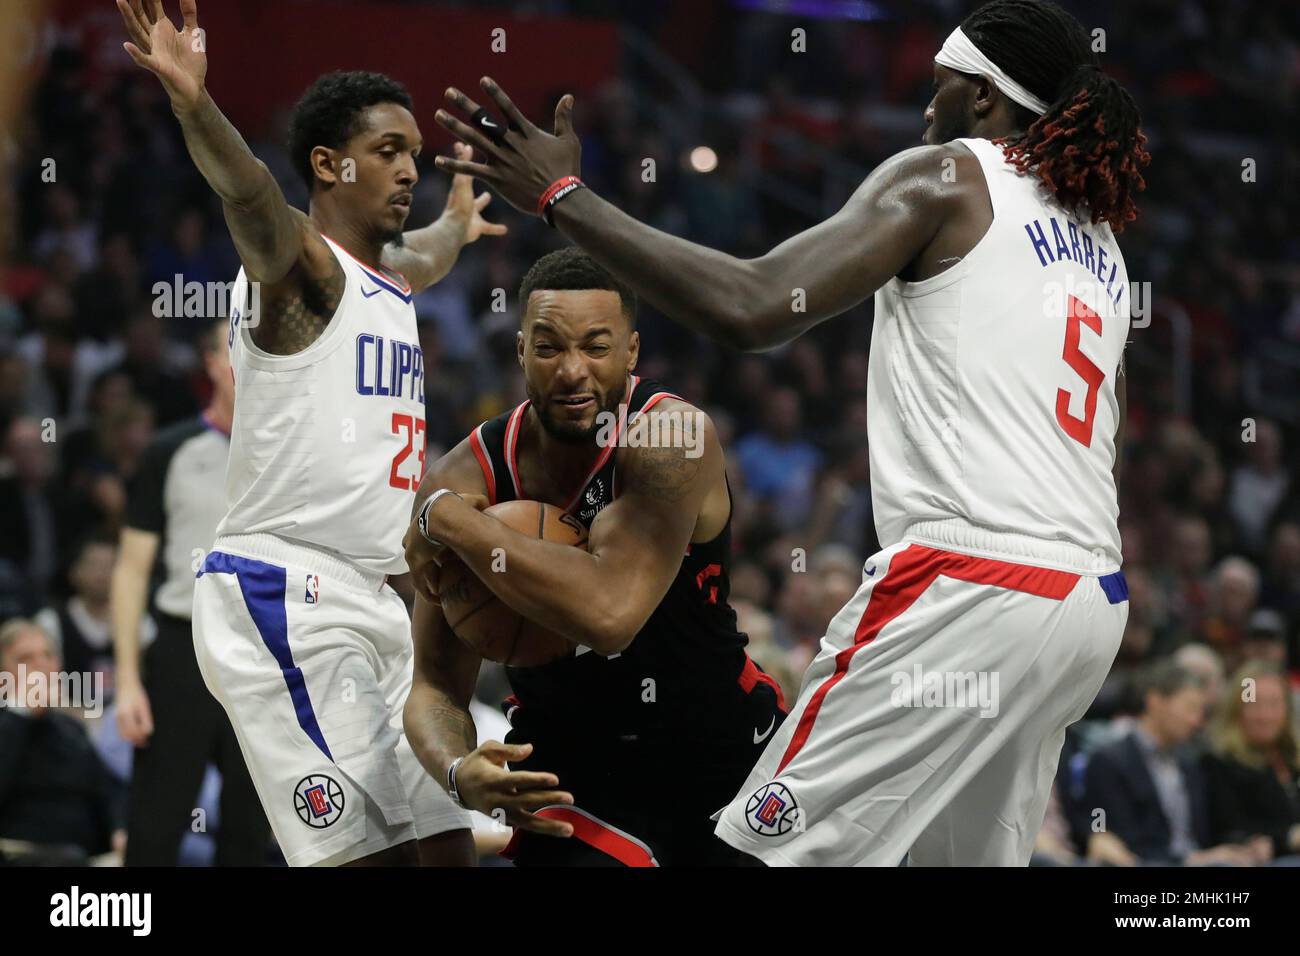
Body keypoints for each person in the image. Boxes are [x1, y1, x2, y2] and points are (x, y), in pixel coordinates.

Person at [434, 0, 1146, 864]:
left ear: (986, 101)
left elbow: (755, 307)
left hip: (971, 579)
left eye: (940, 91)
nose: (925, 114)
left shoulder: (950, 174)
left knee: (752, 858)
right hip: (1087, 602)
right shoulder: (1099, 238)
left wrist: (563, 197)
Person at [117, 0, 504, 866]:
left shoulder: (386, 270)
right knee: (365, 856)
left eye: (415, 152)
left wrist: (456, 225)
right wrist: (194, 105)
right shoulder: (302, 269)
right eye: (387, 153)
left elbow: (424, 257)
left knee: (446, 843)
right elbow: (249, 191)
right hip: (283, 591)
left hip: (372, 600)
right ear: (328, 165)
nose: (410, 169)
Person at [402, 248, 786, 866]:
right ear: (520, 352)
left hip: (723, 751)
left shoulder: (671, 438)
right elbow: (435, 686)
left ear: (631, 353)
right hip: (571, 771)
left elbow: (610, 614)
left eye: (596, 347)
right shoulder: (468, 471)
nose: (572, 371)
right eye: (549, 348)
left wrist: (448, 522)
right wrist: (456, 770)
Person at [112, 318, 268, 866]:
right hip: (183, 649)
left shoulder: (290, 454)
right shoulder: (169, 451)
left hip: (262, 652)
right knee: (157, 824)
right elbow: (131, 571)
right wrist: (128, 681)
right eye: (239, 349)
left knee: (251, 832)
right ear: (211, 363)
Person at [1082, 660, 1264, 865]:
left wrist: (1245, 844)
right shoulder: (1110, 762)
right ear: (1155, 701)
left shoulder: (1191, 763)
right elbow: (1123, 843)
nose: (1195, 721)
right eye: (1190, 708)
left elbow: (1210, 832)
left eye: (1200, 711)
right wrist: (1192, 859)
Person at [0, 619, 123, 865]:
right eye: (25, 659)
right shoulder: (6, 725)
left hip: (84, 856)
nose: (41, 666)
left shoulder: (71, 728)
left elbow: (107, 791)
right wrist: (20, 712)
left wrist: (120, 829)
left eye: (47, 656)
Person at [1203, 660, 1300, 861]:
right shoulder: (1219, 762)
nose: (1265, 715)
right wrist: (1288, 838)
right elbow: (1230, 830)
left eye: (1274, 704)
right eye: (1254, 704)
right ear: (1236, 710)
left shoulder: (1292, 758)